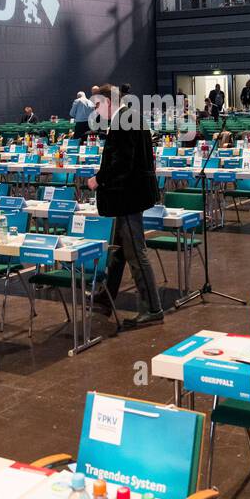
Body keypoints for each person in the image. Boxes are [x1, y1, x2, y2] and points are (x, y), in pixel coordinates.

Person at [88, 84, 165, 329]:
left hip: (129, 197)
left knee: (136, 253)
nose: (96, 110)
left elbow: (122, 163)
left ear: (109, 102)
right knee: (121, 250)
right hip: (131, 195)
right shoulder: (129, 118)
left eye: (97, 105)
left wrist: (98, 179)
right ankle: (106, 295)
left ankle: (153, 308)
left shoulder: (124, 121)